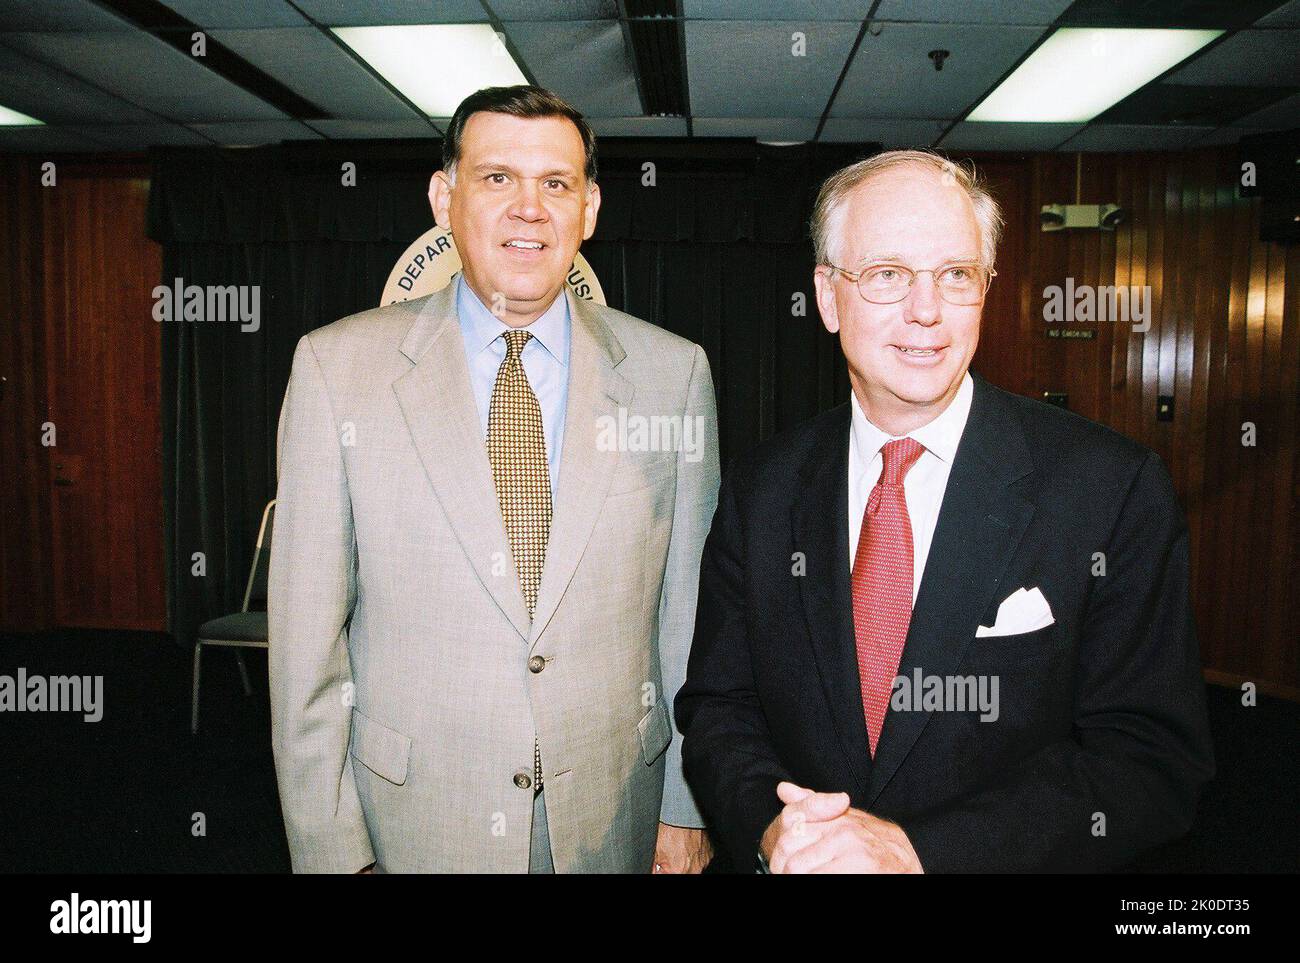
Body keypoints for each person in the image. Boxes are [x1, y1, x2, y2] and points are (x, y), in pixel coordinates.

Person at [676, 149, 1214, 873]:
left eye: (956, 275)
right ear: (828, 297)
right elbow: (719, 707)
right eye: (888, 274)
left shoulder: (1108, 490)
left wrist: (918, 850)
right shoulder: (763, 487)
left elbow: (1152, 763)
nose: (926, 310)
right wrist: (775, 827)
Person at [270, 85, 718, 873]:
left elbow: (689, 618)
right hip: (414, 826)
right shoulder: (336, 370)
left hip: (613, 819)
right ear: (446, 197)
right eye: (497, 177)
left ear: (591, 207)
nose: (529, 208)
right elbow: (307, 650)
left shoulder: (671, 375)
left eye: (557, 183)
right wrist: (334, 852)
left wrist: (684, 803)